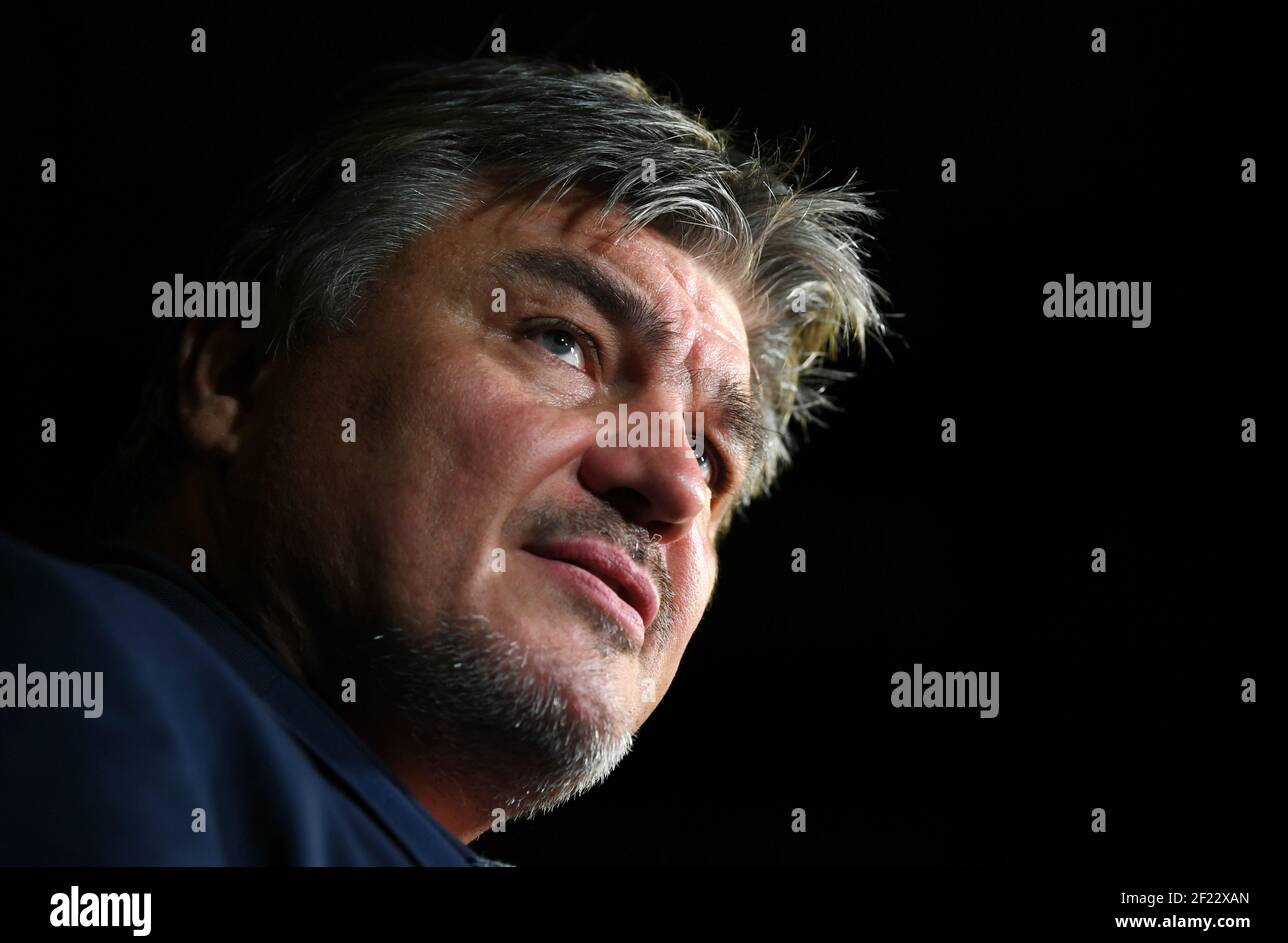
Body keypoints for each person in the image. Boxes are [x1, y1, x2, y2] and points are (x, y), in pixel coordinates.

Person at [0, 55, 890, 865]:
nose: (673, 485)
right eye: (561, 341)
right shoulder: (63, 680)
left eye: (709, 450)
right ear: (240, 373)